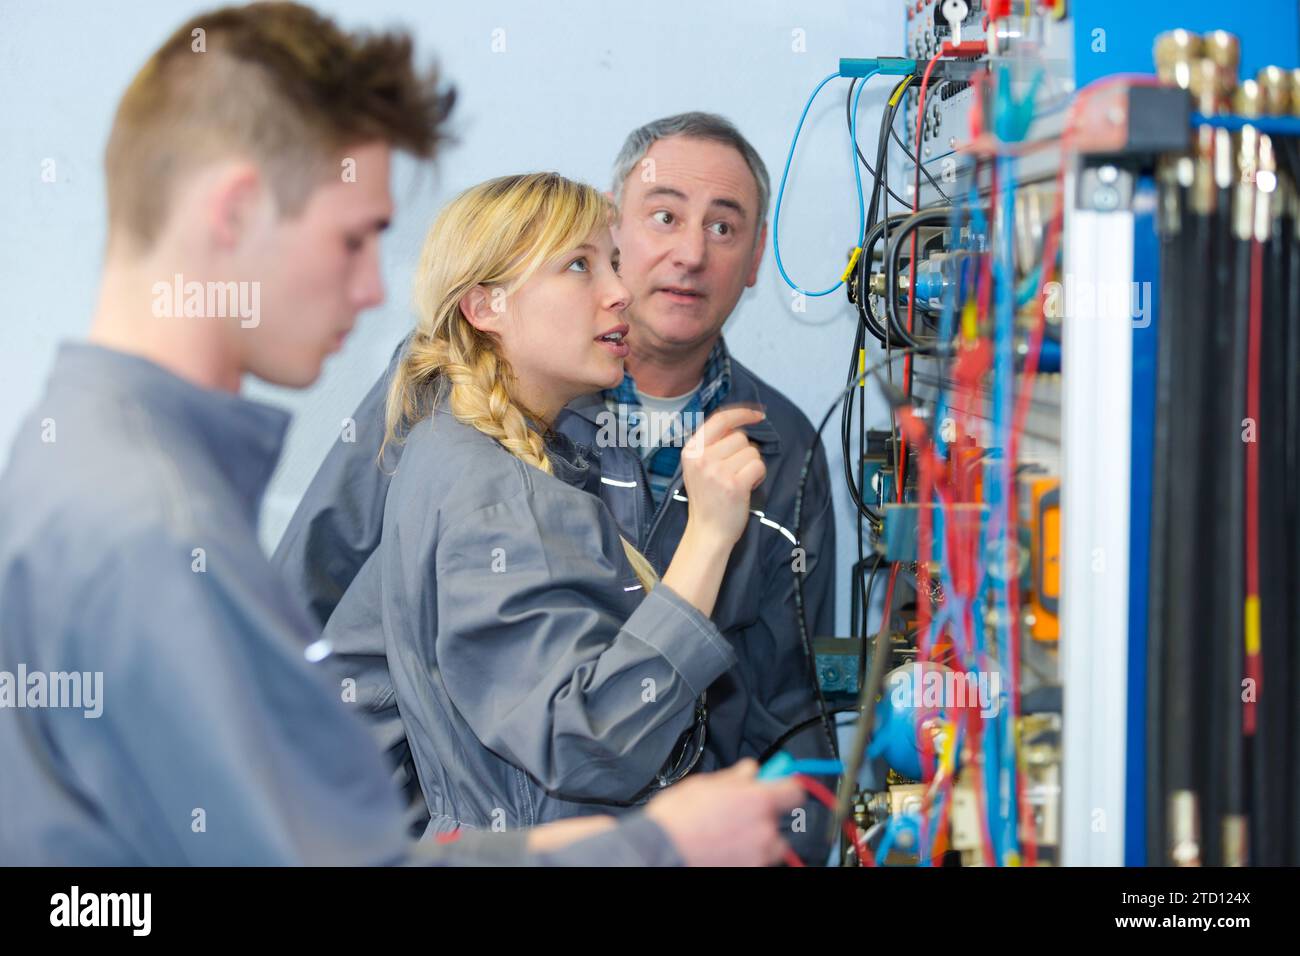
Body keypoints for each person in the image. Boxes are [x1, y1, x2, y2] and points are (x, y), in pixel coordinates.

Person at [0, 2, 801, 866]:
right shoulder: (146, 522)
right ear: (234, 214)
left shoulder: (108, 470)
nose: (372, 293)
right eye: (355, 240)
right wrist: (648, 846)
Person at [276, 113, 839, 862]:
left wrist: (786, 834)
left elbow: (789, 700)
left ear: (756, 257)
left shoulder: (785, 445)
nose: (690, 252)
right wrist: (428, 843)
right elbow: (322, 603)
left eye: (724, 227)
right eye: (664, 216)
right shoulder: (457, 393)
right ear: (619, 224)